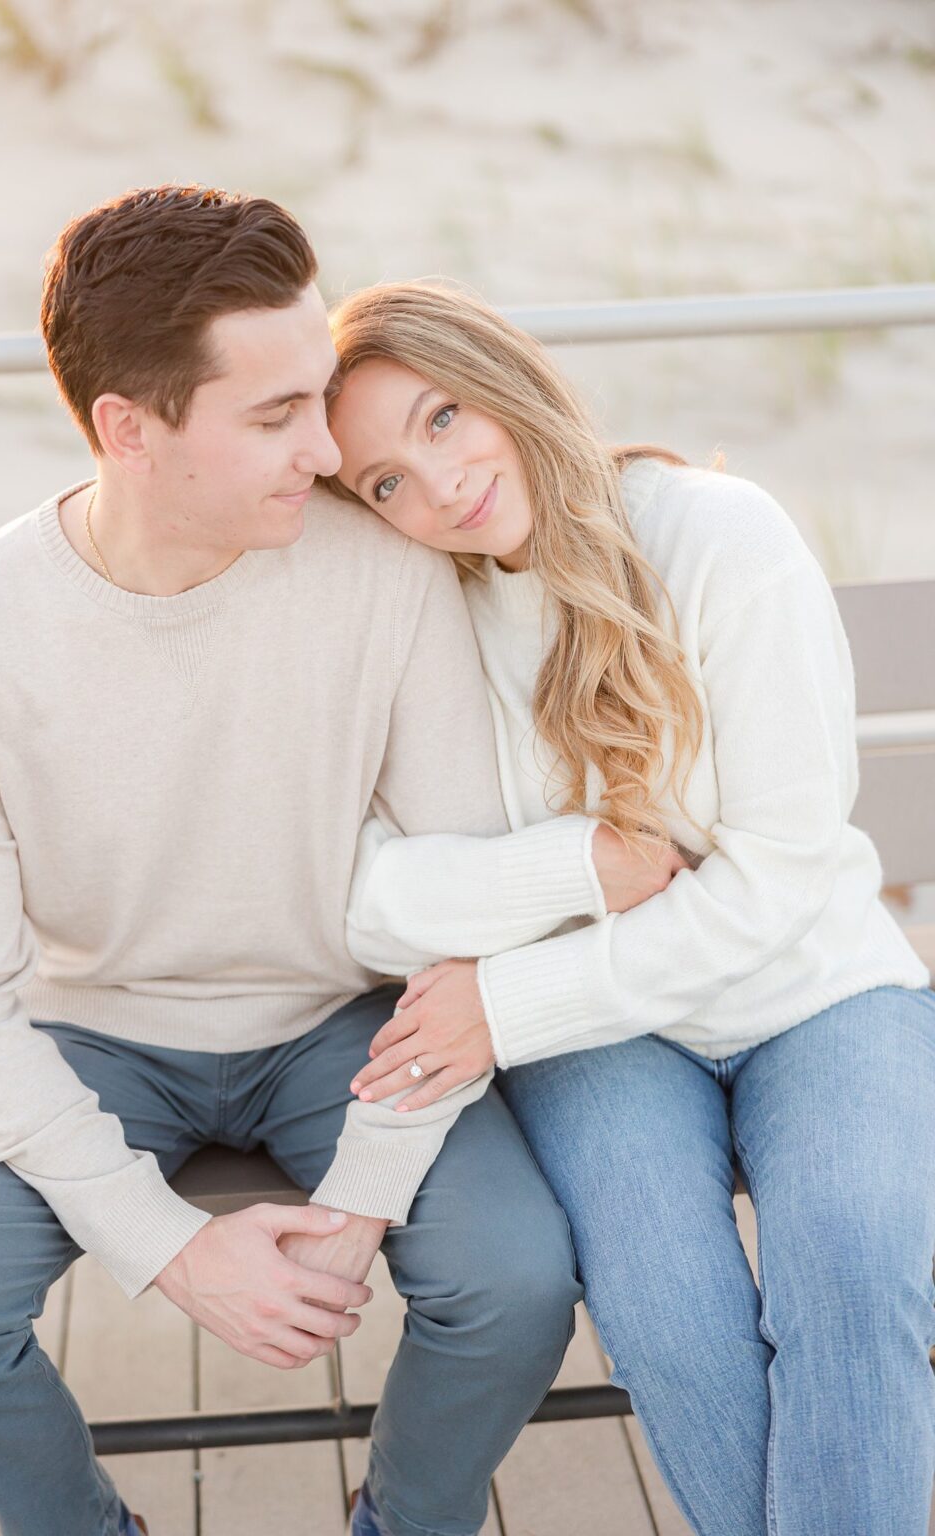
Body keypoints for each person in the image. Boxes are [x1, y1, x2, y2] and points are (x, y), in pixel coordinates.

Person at [0, 190, 601, 1536]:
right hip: (90, 1030)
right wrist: (169, 1251)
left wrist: (361, 1205)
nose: (329, 443)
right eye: (276, 413)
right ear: (130, 428)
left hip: (347, 1022)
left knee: (515, 1284)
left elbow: (462, 908)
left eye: (321, 393)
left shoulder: (383, 574)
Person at [324, 279, 935, 1536]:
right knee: (663, 1307)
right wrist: (568, 873)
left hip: (811, 988)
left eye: (442, 419)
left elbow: (776, 875)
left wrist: (508, 995)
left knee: (857, 1264)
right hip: (608, 1037)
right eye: (383, 480)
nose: (434, 487)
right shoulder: (425, 617)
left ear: (499, 376)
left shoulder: (717, 535)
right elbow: (368, 896)